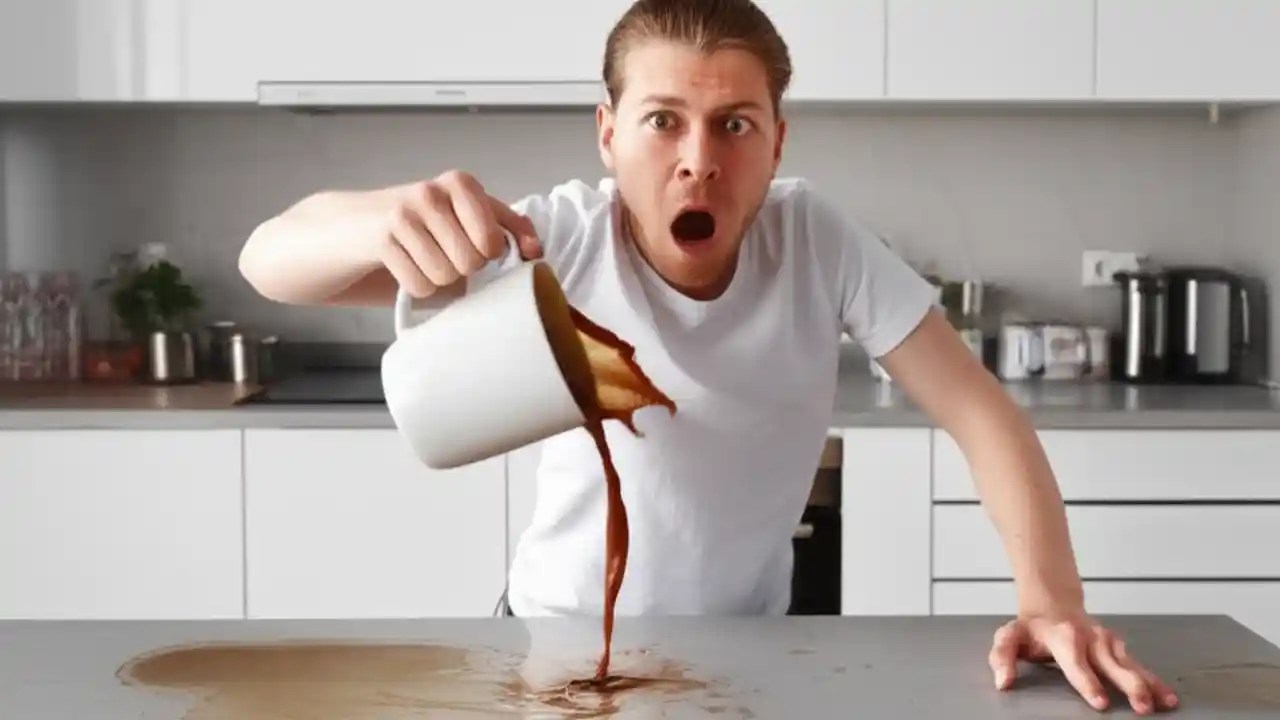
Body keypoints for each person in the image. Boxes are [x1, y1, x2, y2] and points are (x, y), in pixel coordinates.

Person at [238, 0, 1178, 714]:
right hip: (548, 649)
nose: (699, 160)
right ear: (607, 134)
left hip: (747, 655)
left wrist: (1052, 600)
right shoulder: (554, 240)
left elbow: (982, 415)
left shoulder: (817, 241)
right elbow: (271, 263)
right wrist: (380, 217)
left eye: (735, 123)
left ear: (776, 142)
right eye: (661, 121)